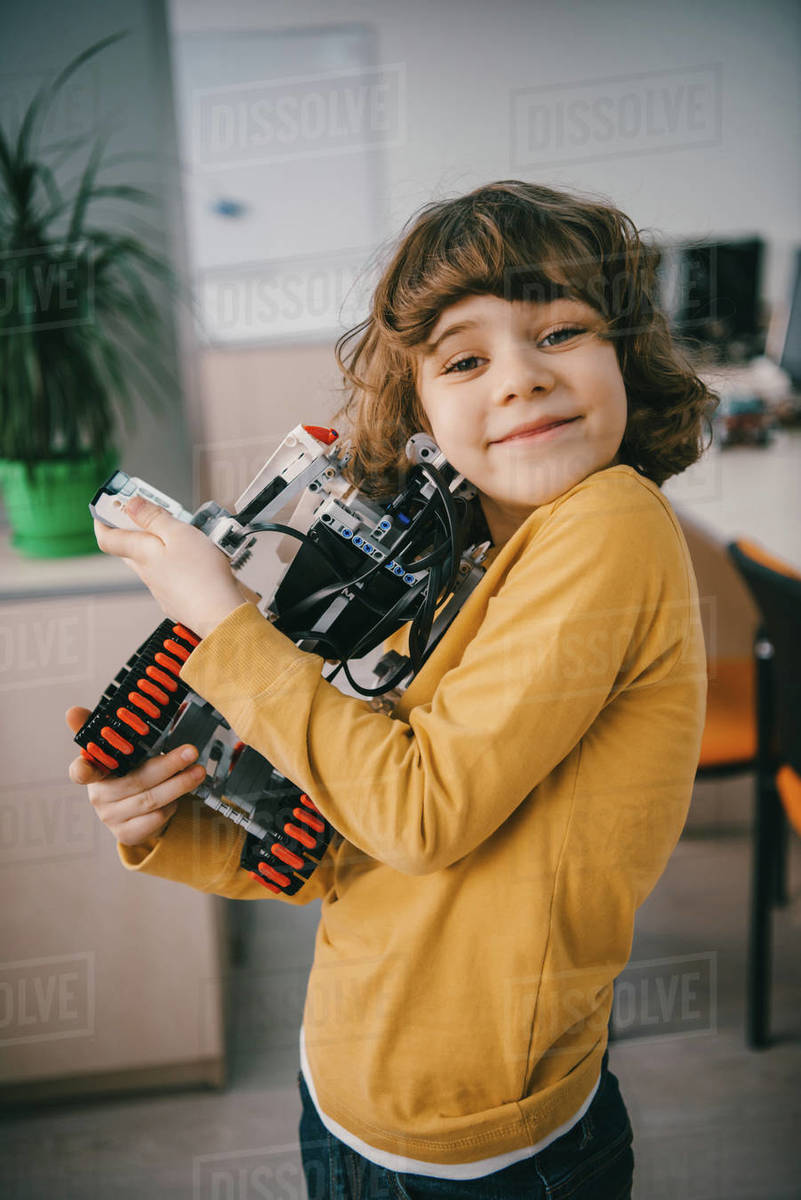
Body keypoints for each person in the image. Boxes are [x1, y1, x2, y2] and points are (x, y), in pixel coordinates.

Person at [66, 180, 717, 1200]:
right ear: (420, 410)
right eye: (466, 358)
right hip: (347, 1082)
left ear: (626, 355)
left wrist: (223, 621)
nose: (519, 380)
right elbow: (345, 844)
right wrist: (166, 818)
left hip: (485, 1145)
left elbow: (420, 814)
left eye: (562, 333)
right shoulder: (459, 560)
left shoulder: (609, 522)